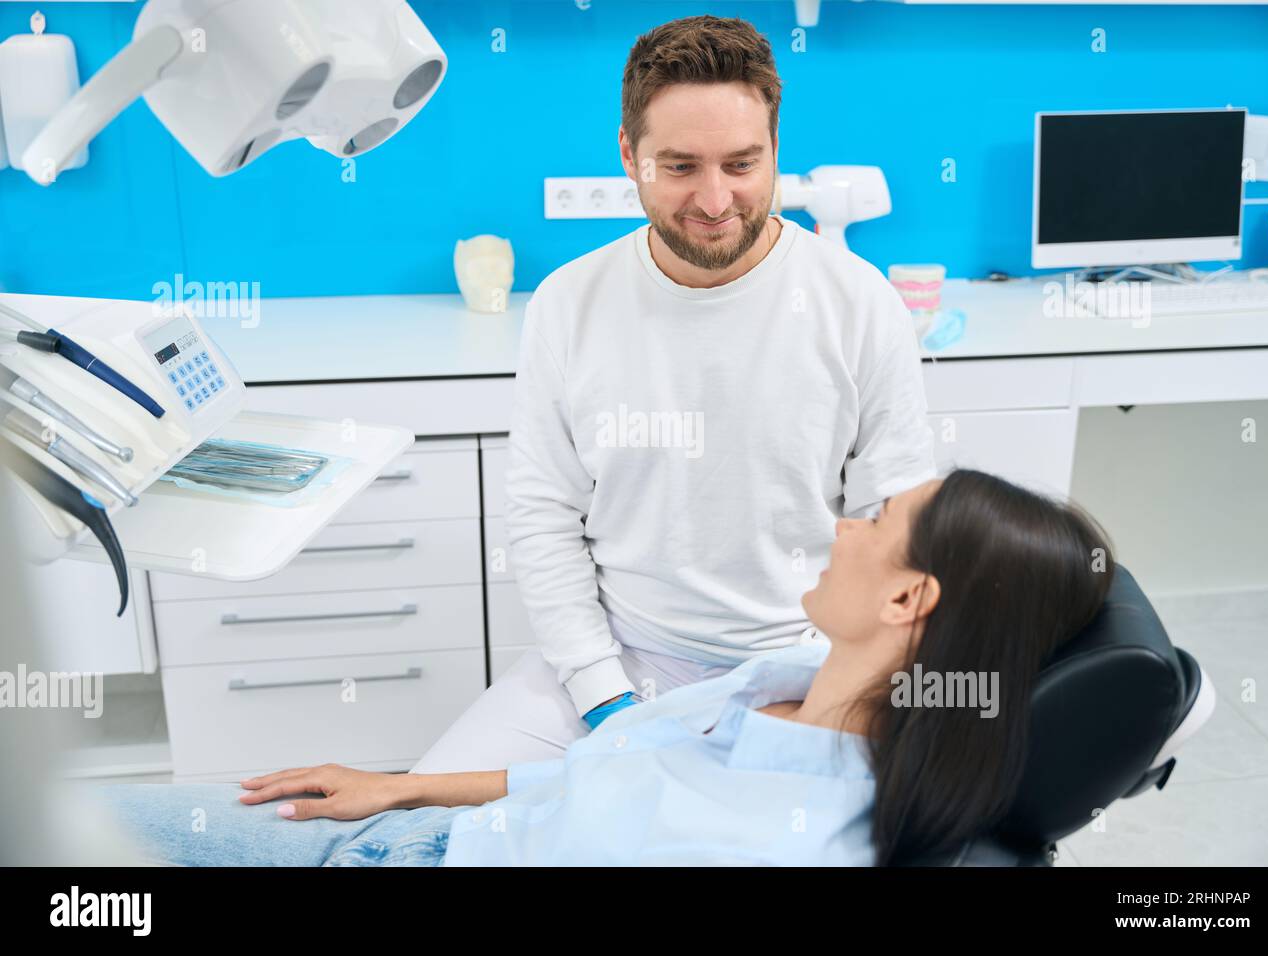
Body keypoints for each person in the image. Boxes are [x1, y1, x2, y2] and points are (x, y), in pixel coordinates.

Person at [88, 469, 1116, 867]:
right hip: (422, 832)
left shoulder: (787, 839)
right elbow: (602, 766)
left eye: (878, 520)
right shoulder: (785, 679)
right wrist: (399, 783)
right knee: (68, 830)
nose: (844, 525)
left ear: (906, 599)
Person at [410, 14, 937, 775]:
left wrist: (840, 693)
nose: (716, 199)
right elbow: (544, 516)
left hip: (804, 664)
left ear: (776, 151)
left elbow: (896, 527)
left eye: (743, 164)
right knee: (430, 820)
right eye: (681, 165)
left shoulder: (857, 302)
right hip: (618, 660)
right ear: (630, 155)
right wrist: (608, 703)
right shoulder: (569, 305)